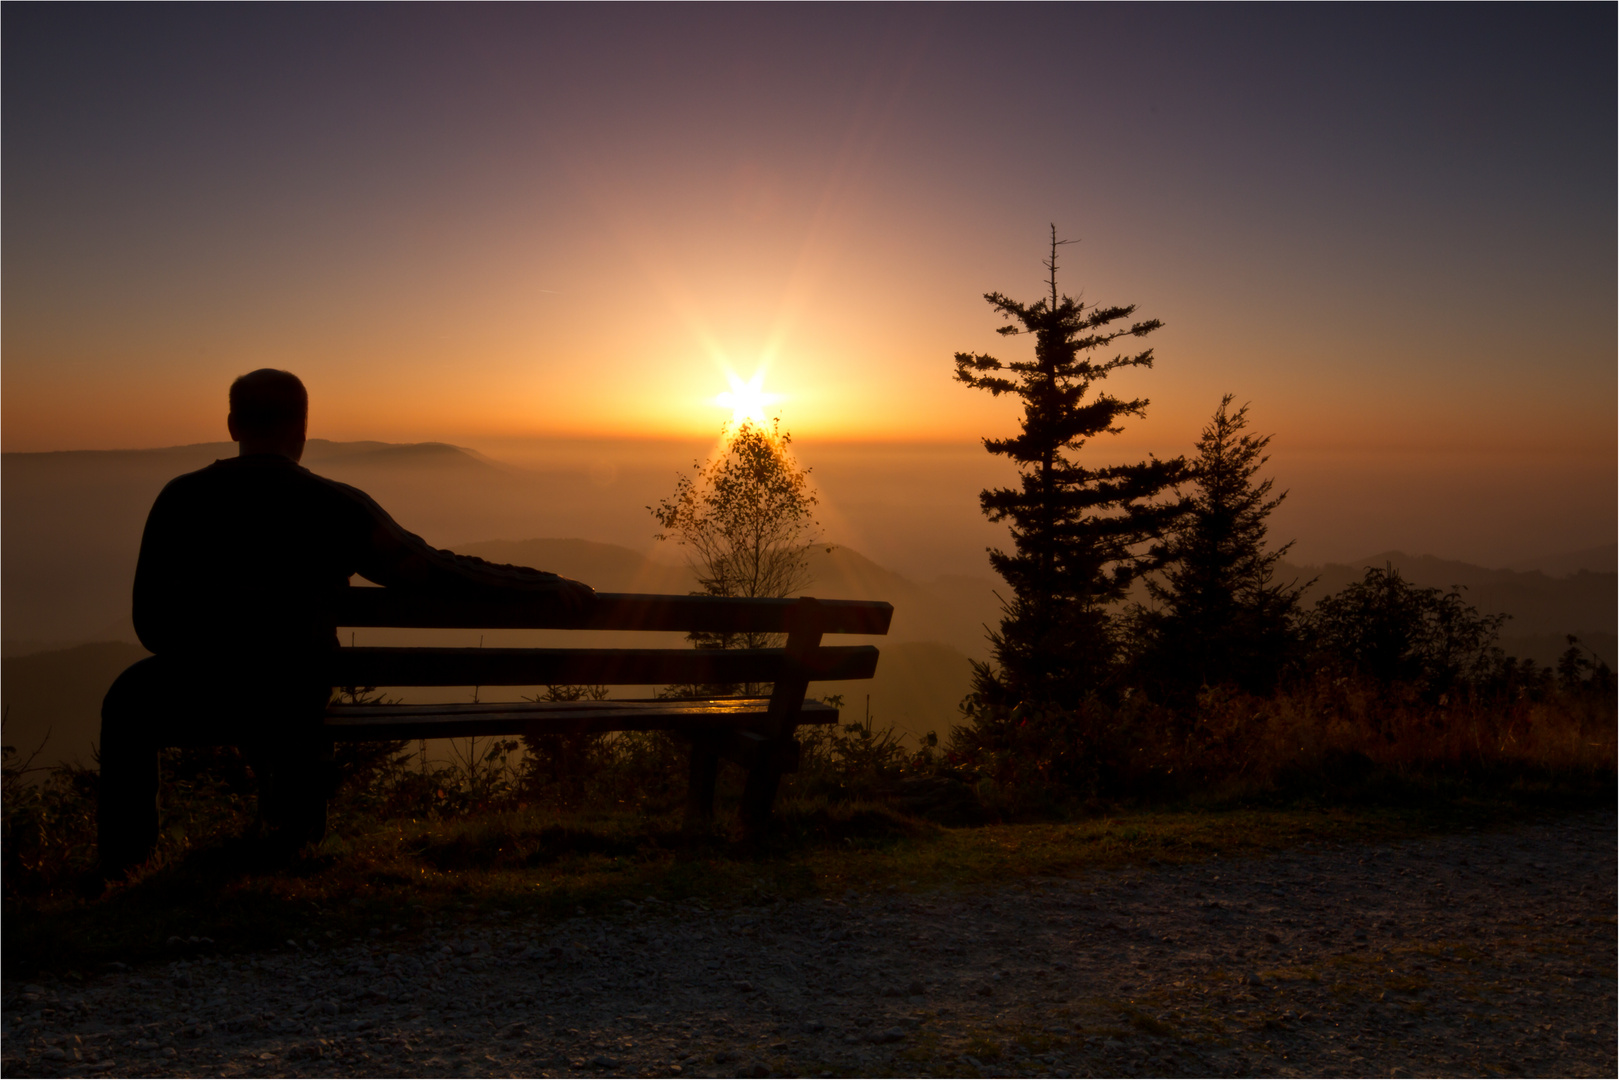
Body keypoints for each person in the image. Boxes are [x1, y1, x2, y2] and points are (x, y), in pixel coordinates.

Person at [98, 369, 593, 878]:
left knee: (127, 697)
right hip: (293, 687)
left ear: (232, 425)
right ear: (302, 428)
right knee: (296, 691)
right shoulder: (333, 505)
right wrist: (537, 584)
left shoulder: (181, 499)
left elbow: (150, 623)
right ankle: (294, 841)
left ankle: (124, 869)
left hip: (196, 684)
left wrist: (216, 646)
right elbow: (435, 572)